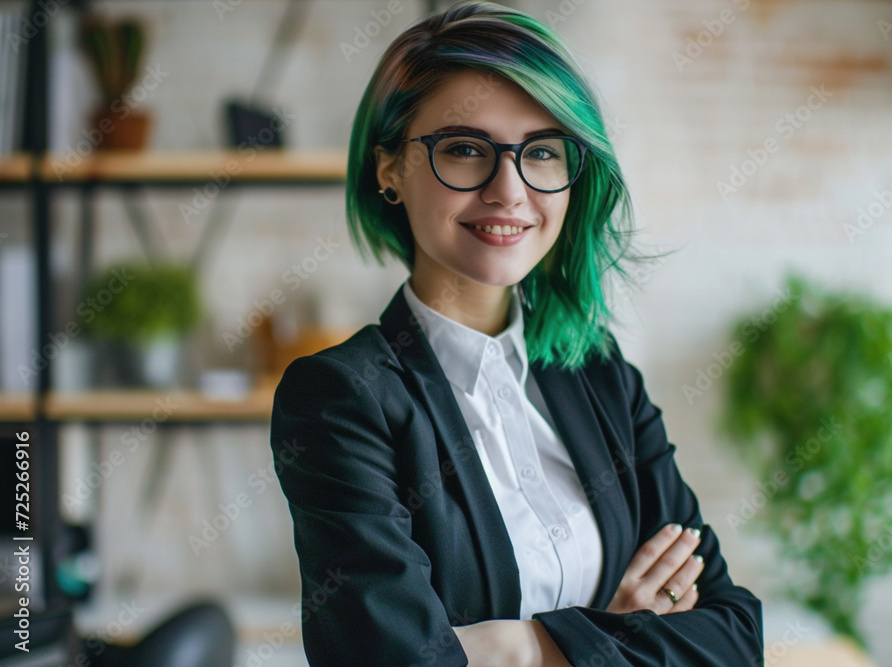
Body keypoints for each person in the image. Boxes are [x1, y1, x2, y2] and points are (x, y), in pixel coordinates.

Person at [269, 2, 763, 664]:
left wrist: (511, 643)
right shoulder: (339, 397)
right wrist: (608, 632)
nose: (510, 190)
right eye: (466, 149)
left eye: (543, 152)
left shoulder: (602, 374)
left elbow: (734, 633)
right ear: (389, 168)